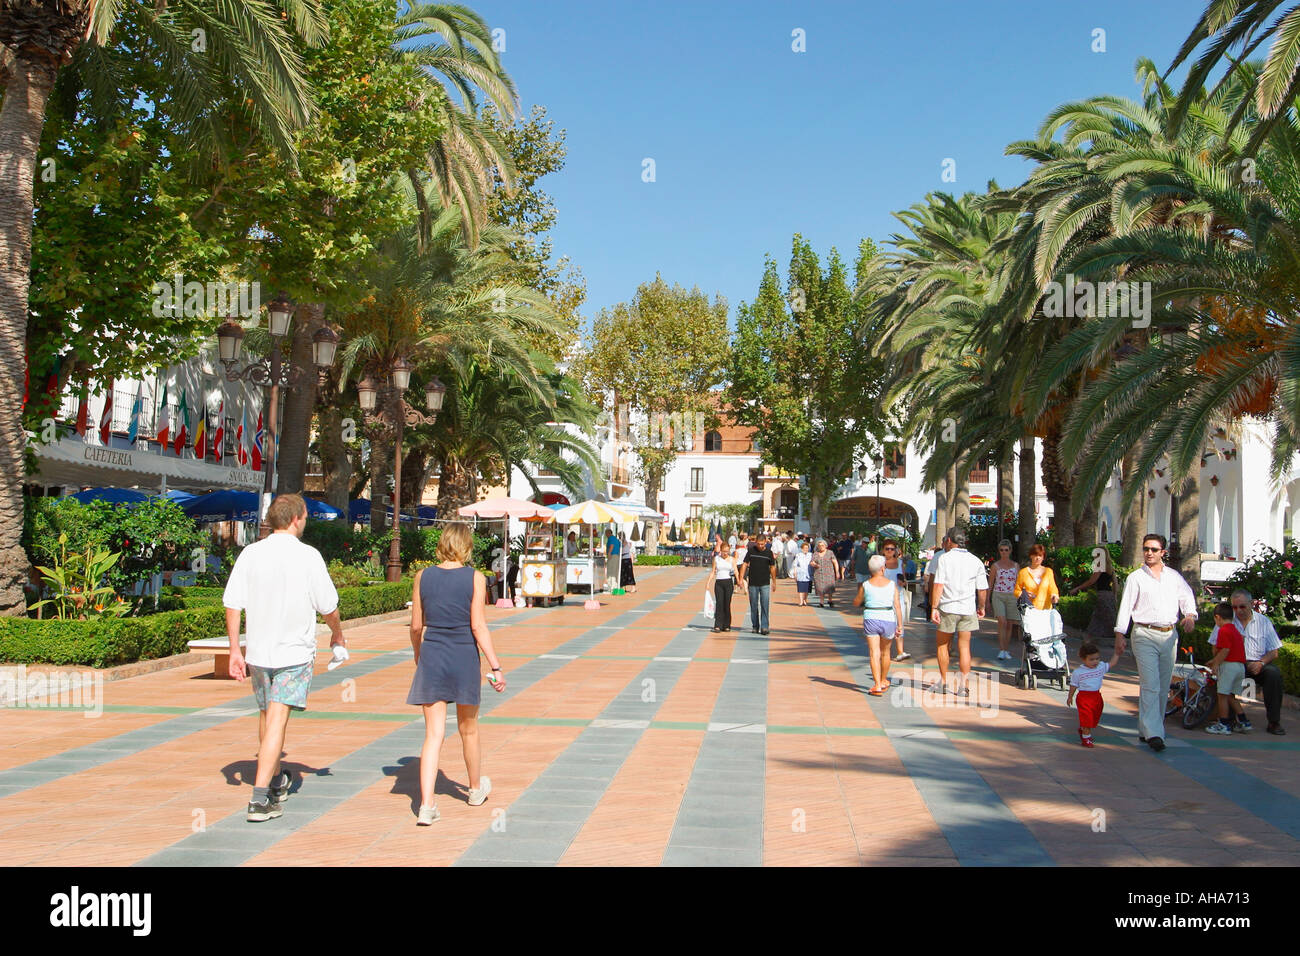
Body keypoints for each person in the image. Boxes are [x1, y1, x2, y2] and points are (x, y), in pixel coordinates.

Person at [223, 493, 344, 822]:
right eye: (305, 517)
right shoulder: (308, 557)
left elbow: (232, 603)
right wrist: (337, 633)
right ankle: (259, 799)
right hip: (293, 652)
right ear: (296, 519)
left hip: (259, 652)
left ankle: (275, 779)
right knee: (277, 719)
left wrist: (236, 649)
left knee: (266, 716)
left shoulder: (250, 553)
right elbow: (328, 607)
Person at [406, 522, 507, 825]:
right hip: (463, 656)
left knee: (433, 735)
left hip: (433, 655)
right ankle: (475, 789)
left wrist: (418, 654)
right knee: (469, 729)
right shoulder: (475, 578)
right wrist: (496, 666)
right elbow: (478, 626)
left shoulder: (422, 576)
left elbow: (415, 626)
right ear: (466, 546)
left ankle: (426, 806)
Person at [1113, 533, 1198, 752]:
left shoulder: (1173, 577)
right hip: (1144, 634)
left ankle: (1148, 729)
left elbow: (1187, 598)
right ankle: (1155, 734)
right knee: (1150, 683)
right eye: (1146, 549)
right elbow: (1126, 608)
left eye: (1153, 549)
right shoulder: (1136, 578)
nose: (1148, 553)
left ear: (1163, 552)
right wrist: (1120, 635)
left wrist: (1189, 616)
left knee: (1161, 686)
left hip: (1169, 635)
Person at [929, 530, 988, 696]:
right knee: (964, 647)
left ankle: (943, 682)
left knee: (942, 646)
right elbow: (982, 588)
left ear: (949, 541)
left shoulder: (944, 559)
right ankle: (963, 685)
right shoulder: (976, 561)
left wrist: (934, 607)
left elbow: (938, 584)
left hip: (947, 608)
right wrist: (981, 606)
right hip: (967, 608)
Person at [1220, 588, 1285, 735]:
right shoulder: (1227, 621)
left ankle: (1274, 722)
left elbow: (1274, 651)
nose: (1238, 611)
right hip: (1235, 663)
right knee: (1228, 671)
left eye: (1242, 606)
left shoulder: (1263, 622)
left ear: (1251, 604)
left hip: (1258, 664)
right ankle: (1228, 719)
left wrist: (1261, 663)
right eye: (1234, 607)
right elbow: (1216, 646)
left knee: (1273, 674)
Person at [853, 554, 904, 696]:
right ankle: (883, 680)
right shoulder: (891, 585)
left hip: (871, 617)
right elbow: (897, 606)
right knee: (886, 652)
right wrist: (900, 625)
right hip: (888, 617)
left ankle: (876, 685)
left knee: (874, 652)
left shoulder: (866, 585)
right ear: (883, 568)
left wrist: (861, 600)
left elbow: (857, 602)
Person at [1067, 640, 1122, 748]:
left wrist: (1117, 654)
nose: (1095, 661)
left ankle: (1084, 730)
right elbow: (1073, 685)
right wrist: (1070, 697)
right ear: (1083, 659)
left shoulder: (1100, 667)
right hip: (1084, 698)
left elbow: (1112, 663)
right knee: (1087, 718)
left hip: (1096, 697)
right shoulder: (1078, 672)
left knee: (1094, 718)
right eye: (1091, 659)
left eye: (1097, 658)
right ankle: (1086, 738)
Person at [1205, 602, 1250, 735]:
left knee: (1222, 695)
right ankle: (1244, 721)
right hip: (1240, 667)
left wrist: (1216, 664)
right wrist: (1214, 661)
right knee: (1231, 695)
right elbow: (1232, 649)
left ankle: (1223, 724)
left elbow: (1225, 650)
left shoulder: (1223, 630)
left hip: (1228, 666)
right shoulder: (1236, 630)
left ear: (1218, 617)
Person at [1069, 545, 1117, 643]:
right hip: (1109, 595)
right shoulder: (1110, 568)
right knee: (1107, 618)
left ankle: (1089, 640)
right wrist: (1115, 596)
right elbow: (1115, 584)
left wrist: (1077, 588)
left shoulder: (1100, 567)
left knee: (1098, 618)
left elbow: (1091, 581)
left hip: (1102, 595)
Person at [880, 539, 916, 661]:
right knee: (887, 623)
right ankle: (885, 651)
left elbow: (904, 579)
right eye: (887, 549)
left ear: (896, 550)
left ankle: (900, 651)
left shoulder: (900, 562)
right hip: (885, 597)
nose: (890, 551)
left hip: (899, 596)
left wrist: (903, 581)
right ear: (883, 550)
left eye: (892, 548)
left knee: (899, 624)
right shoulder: (880, 563)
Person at [739, 532, 779, 634]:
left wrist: (774, 581)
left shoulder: (769, 553)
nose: (760, 546)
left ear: (765, 542)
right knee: (753, 605)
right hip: (752, 583)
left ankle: (765, 626)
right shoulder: (751, 551)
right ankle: (755, 626)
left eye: (762, 544)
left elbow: (772, 568)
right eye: (758, 544)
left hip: (765, 583)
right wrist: (740, 579)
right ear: (756, 542)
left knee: (765, 605)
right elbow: (744, 564)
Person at [987, 540, 1020, 661]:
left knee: (1009, 624)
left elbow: (1019, 583)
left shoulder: (1016, 566)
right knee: (1002, 621)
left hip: (1012, 596)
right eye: (1002, 550)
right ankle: (1001, 649)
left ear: (1010, 551)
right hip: (998, 595)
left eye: (1006, 550)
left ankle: (1006, 649)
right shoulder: (995, 566)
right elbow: (990, 583)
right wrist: (987, 600)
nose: (1004, 552)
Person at [1015, 544, 1060, 609]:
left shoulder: (1048, 571)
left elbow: (1053, 588)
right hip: (1028, 610)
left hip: (1045, 610)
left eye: (1040, 555)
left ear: (1043, 558)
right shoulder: (1023, 572)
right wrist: (1024, 595)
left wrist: (1054, 595)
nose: (1037, 558)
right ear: (1031, 556)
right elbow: (1016, 591)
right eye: (1035, 555)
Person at [705, 541, 737, 632]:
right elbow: (713, 571)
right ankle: (718, 625)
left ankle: (727, 625)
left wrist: (739, 581)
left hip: (728, 582)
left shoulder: (732, 559)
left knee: (727, 604)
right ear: (720, 550)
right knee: (719, 604)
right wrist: (708, 583)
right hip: (719, 582)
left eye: (727, 551)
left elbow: (736, 571)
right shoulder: (716, 559)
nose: (725, 553)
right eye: (723, 551)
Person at [810, 538, 842, 608]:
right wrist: (814, 564)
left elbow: (835, 562)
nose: (821, 547)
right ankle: (821, 602)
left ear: (825, 545)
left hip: (829, 573)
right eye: (819, 546)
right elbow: (811, 562)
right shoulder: (815, 553)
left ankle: (830, 600)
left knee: (829, 588)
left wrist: (837, 572)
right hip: (818, 573)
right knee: (820, 588)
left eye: (822, 545)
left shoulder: (830, 552)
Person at [791, 539, 814, 607]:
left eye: (807, 548)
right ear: (801, 549)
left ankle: (805, 599)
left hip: (808, 574)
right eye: (804, 548)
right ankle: (801, 601)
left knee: (807, 589)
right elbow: (795, 564)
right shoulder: (798, 555)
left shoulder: (811, 555)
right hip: (800, 574)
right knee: (801, 588)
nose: (806, 549)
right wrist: (795, 574)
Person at [605, 527, 621, 592]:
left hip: (612, 556)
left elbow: (611, 545)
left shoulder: (610, 538)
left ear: (608, 533)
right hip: (617, 556)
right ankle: (615, 586)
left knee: (611, 572)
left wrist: (609, 553)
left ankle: (611, 587)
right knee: (615, 571)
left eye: (606, 534)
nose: (606, 535)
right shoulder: (616, 539)